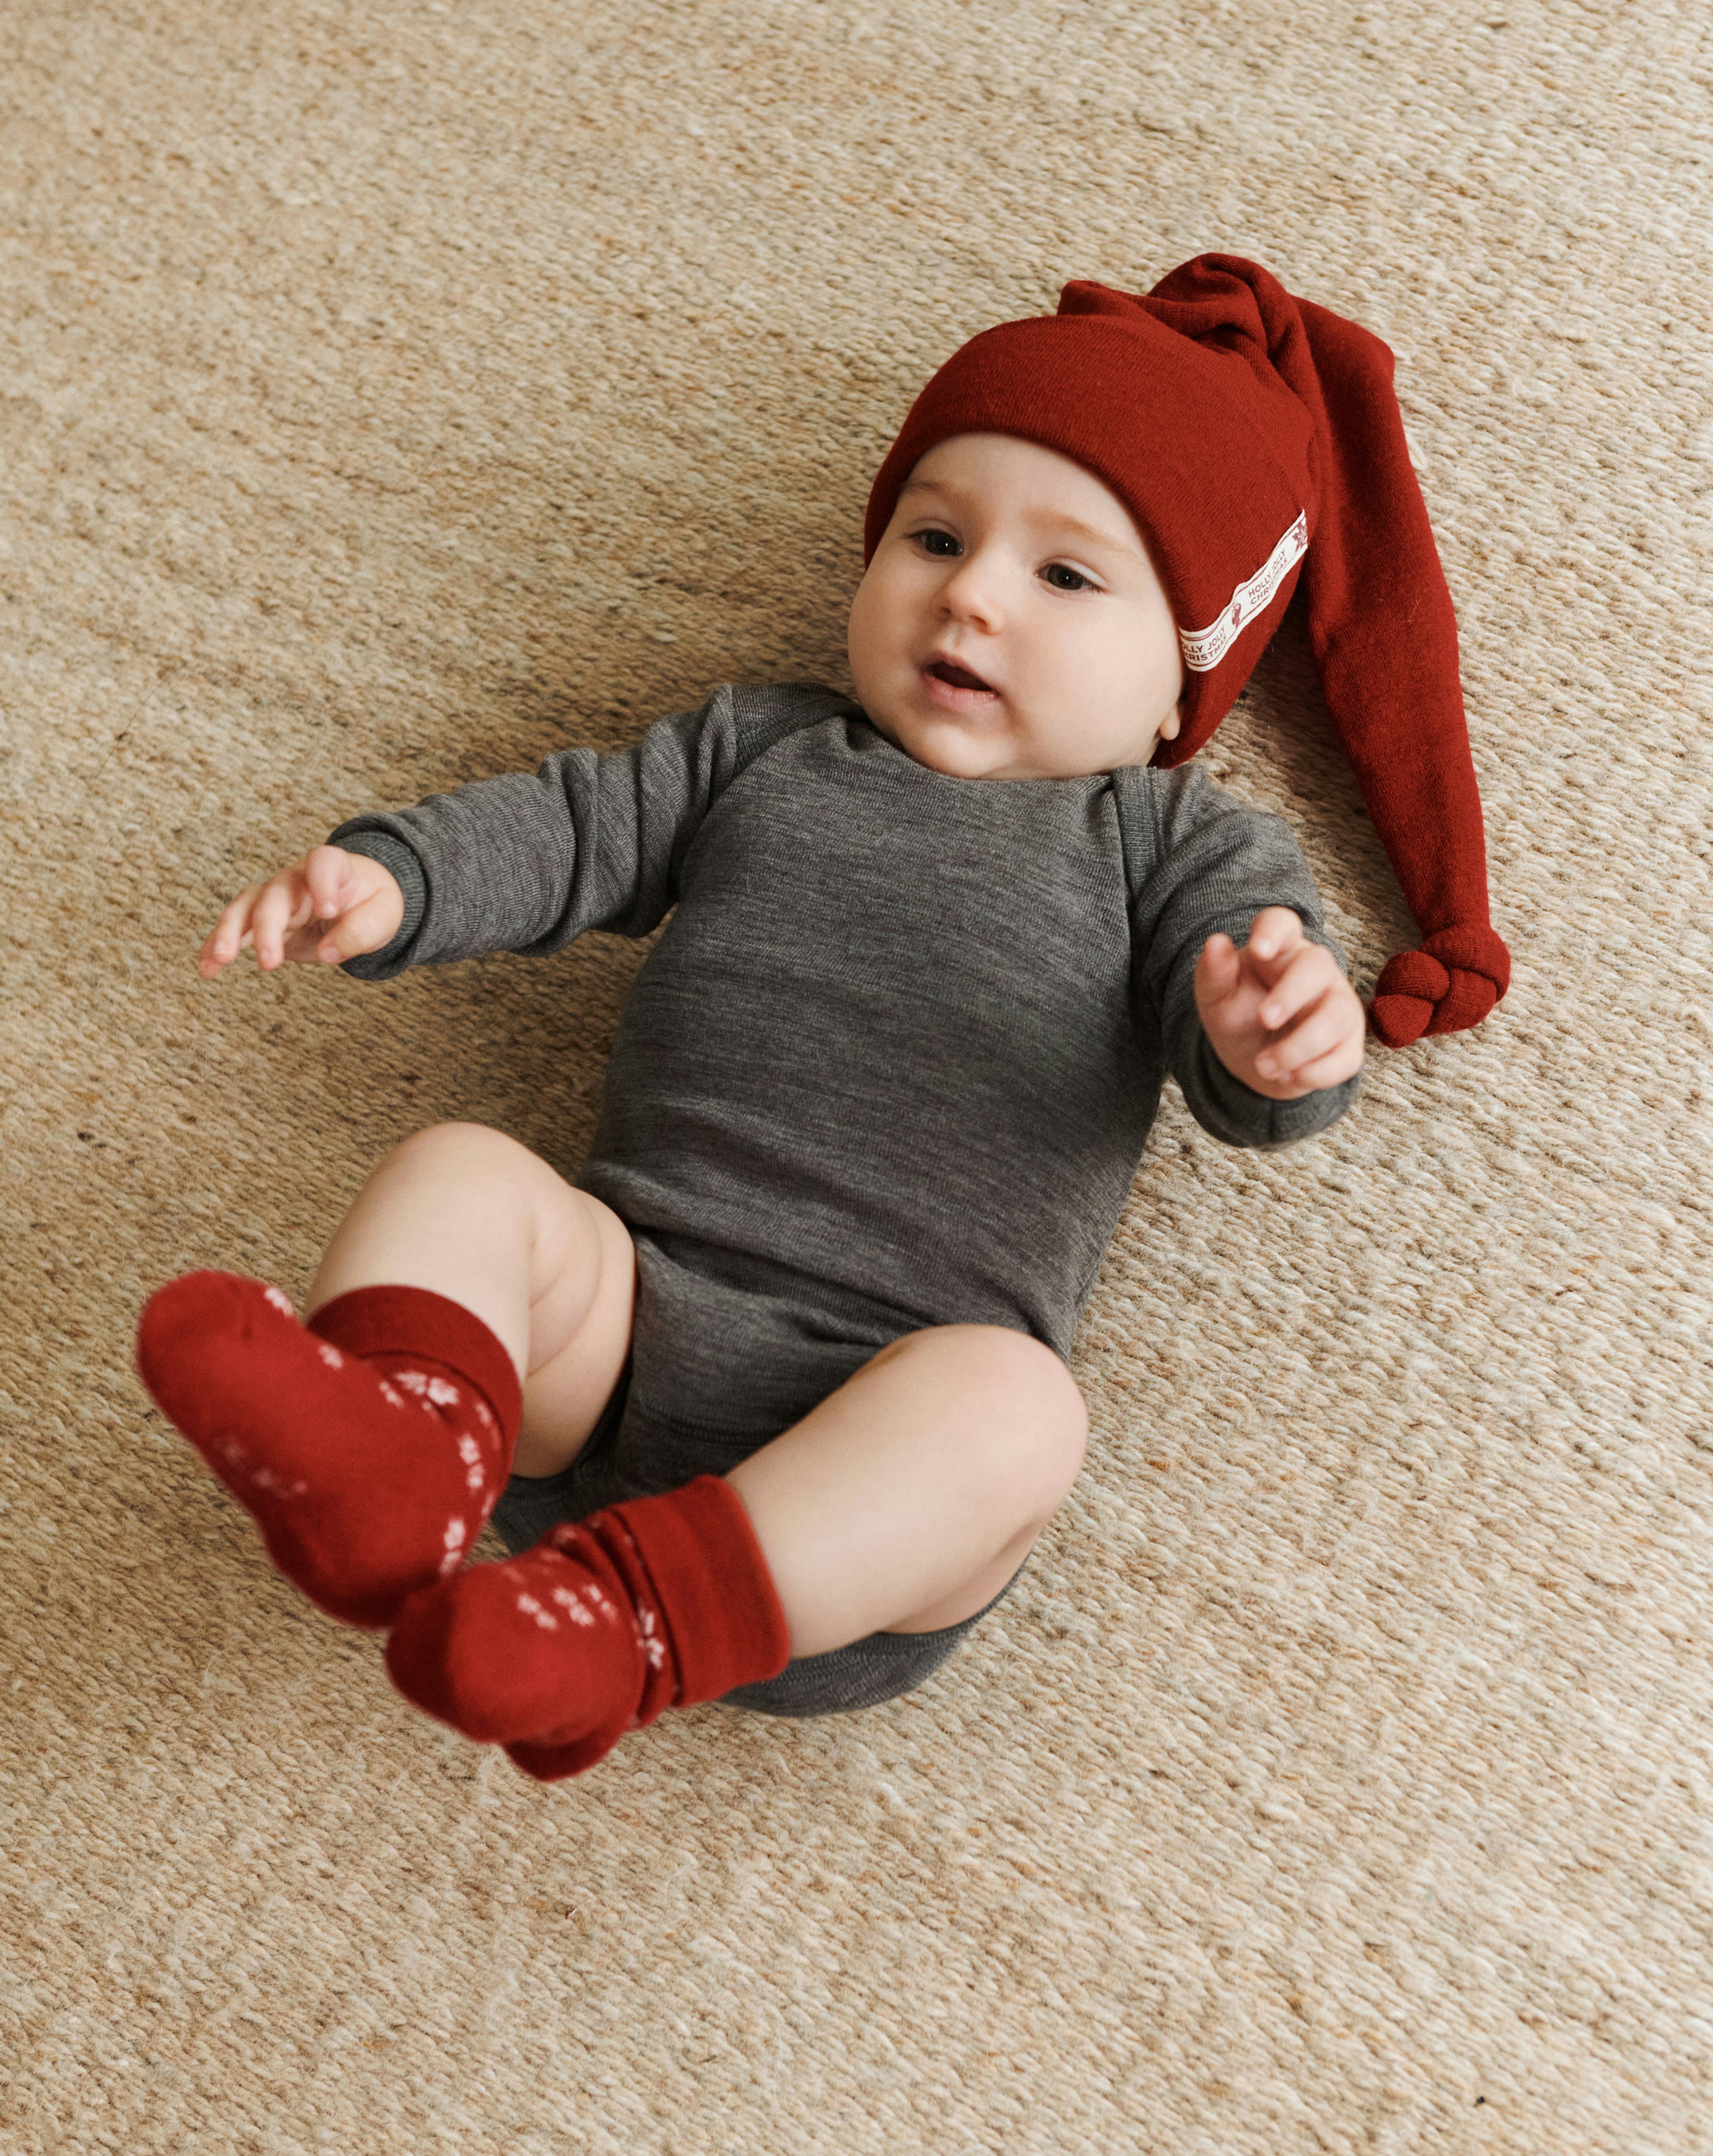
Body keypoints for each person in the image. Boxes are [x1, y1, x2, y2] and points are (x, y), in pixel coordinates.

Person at [136, 255, 1508, 1782]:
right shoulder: (762, 749)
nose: (971, 592)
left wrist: (1280, 1042)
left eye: (1065, 577)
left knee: (1018, 1410)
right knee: (462, 1172)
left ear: (1177, 695)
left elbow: (1249, 1073)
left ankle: (629, 1631)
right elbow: (575, 830)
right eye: (934, 535)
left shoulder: (1178, 847)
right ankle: (402, 1452)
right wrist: (398, 880)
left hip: (873, 1477)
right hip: (622, 1336)